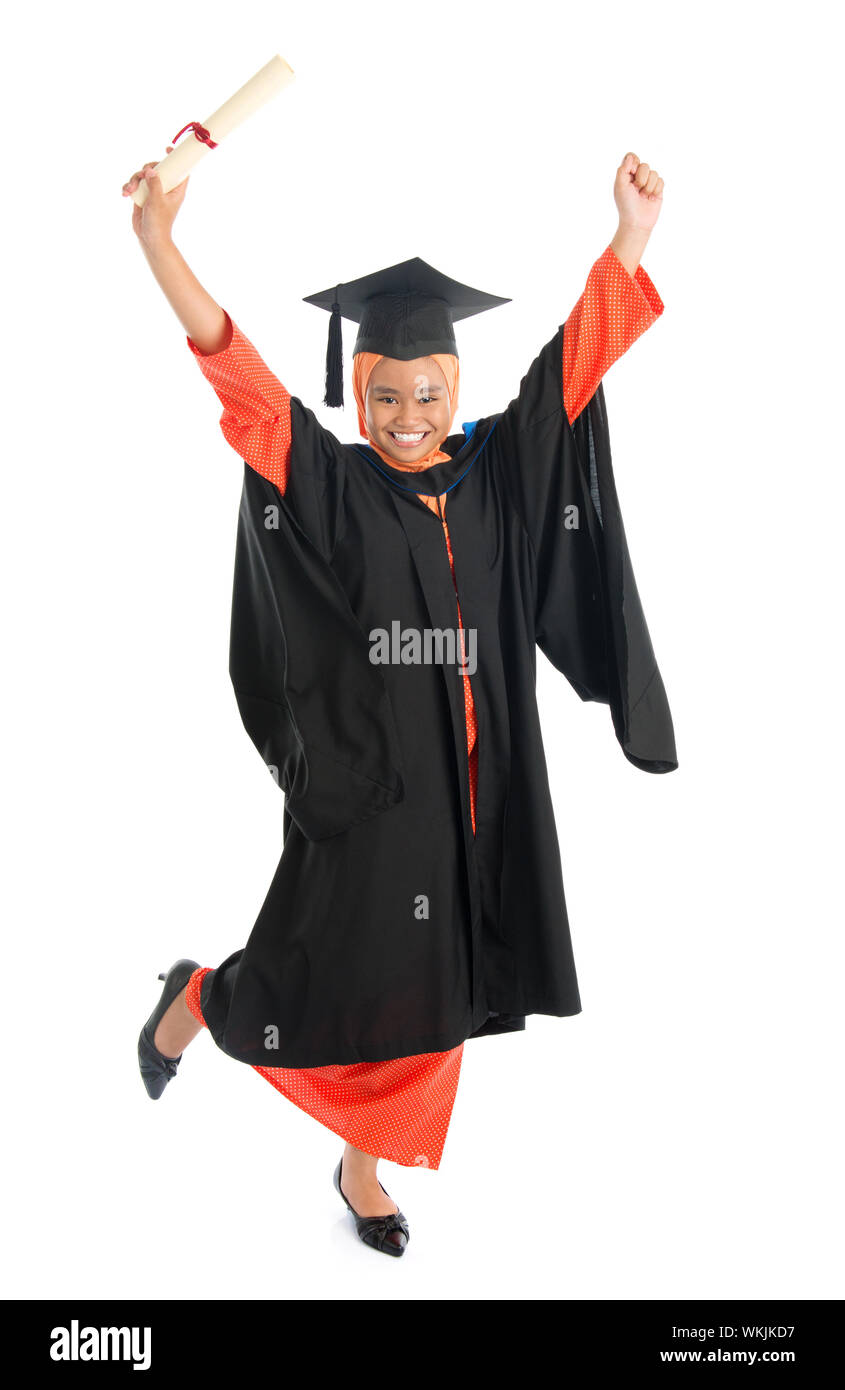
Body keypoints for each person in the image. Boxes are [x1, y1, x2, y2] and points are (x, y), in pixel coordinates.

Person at [124, 149, 676, 1258]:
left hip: (480, 793)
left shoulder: (499, 474)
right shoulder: (331, 491)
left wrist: (627, 242)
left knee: (440, 987)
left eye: (427, 392)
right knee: (322, 971)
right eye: (384, 394)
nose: (408, 415)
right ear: (359, 389)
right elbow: (240, 378)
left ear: (455, 388)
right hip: (373, 789)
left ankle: (363, 1169)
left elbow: (569, 368)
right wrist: (159, 243)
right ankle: (202, 999)